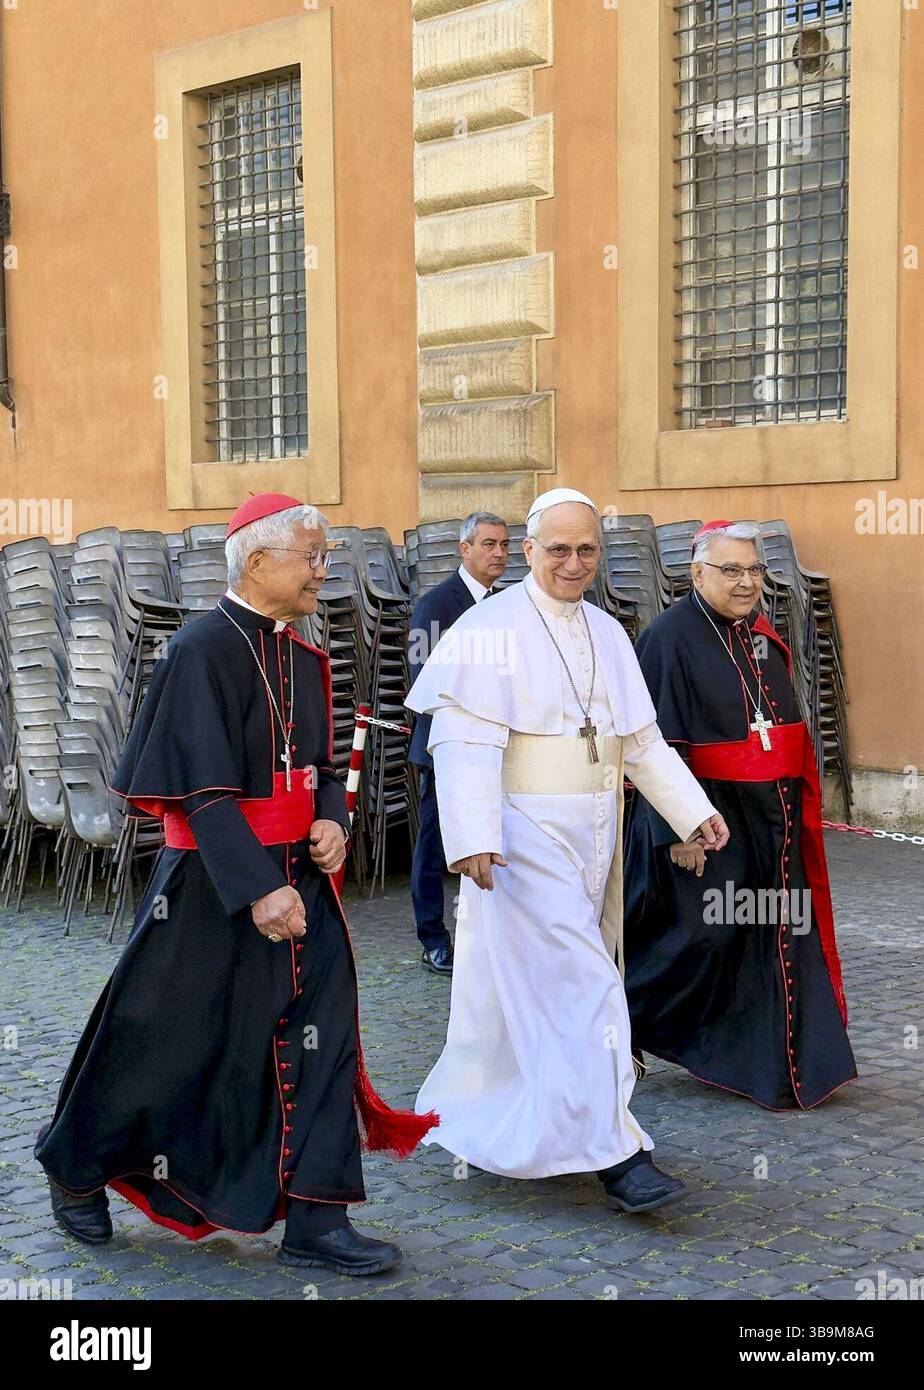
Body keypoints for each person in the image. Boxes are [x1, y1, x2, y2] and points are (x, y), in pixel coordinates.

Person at [34, 494, 436, 1275]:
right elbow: (202, 794)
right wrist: (257, 888)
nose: (325, 571)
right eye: (312, 557)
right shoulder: (199, 650)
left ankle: (318, 1219)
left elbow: (321, 767)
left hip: (301, 882)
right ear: (259, 563)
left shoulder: (305, 654)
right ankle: (75, 1162)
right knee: (160, 1039)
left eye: (326, 556)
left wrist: (330, 819)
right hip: (214, 887)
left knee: (326, 1037)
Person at [404, 488, 730, 1213]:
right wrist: (474, 837)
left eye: (587, 550)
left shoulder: (608, 633)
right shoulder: (489, 628)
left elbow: (638, 742)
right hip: (522, 836)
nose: (573, 563)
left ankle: (528, 1116)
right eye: (558, 549)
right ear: (528, 551)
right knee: (585, 984)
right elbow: (461, 741)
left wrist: (691, 812)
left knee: (548, 985)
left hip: (596, 834)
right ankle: (615, 1154)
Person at [623, 520, 857, 1110]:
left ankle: (779, 1065)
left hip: (768, 824)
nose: (747, 581)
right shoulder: (668, 638)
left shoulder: (757, 634)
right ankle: (625, 1021)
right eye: (732, 570)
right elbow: (652, 744)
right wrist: (676, 830)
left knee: (772, 939)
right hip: (708, 824)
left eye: (754, 570)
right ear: (697, 573)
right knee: (696, 943)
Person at [407, 511, 509, 976]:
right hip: (443, 746)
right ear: (465, 550)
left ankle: (493, 935)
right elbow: (421, 677)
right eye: (489, 544)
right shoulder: (436, 605)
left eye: (505, 545)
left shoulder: (508, 604)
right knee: (435, 841)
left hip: (498, 744)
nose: (499, 554)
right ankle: (432, 938)